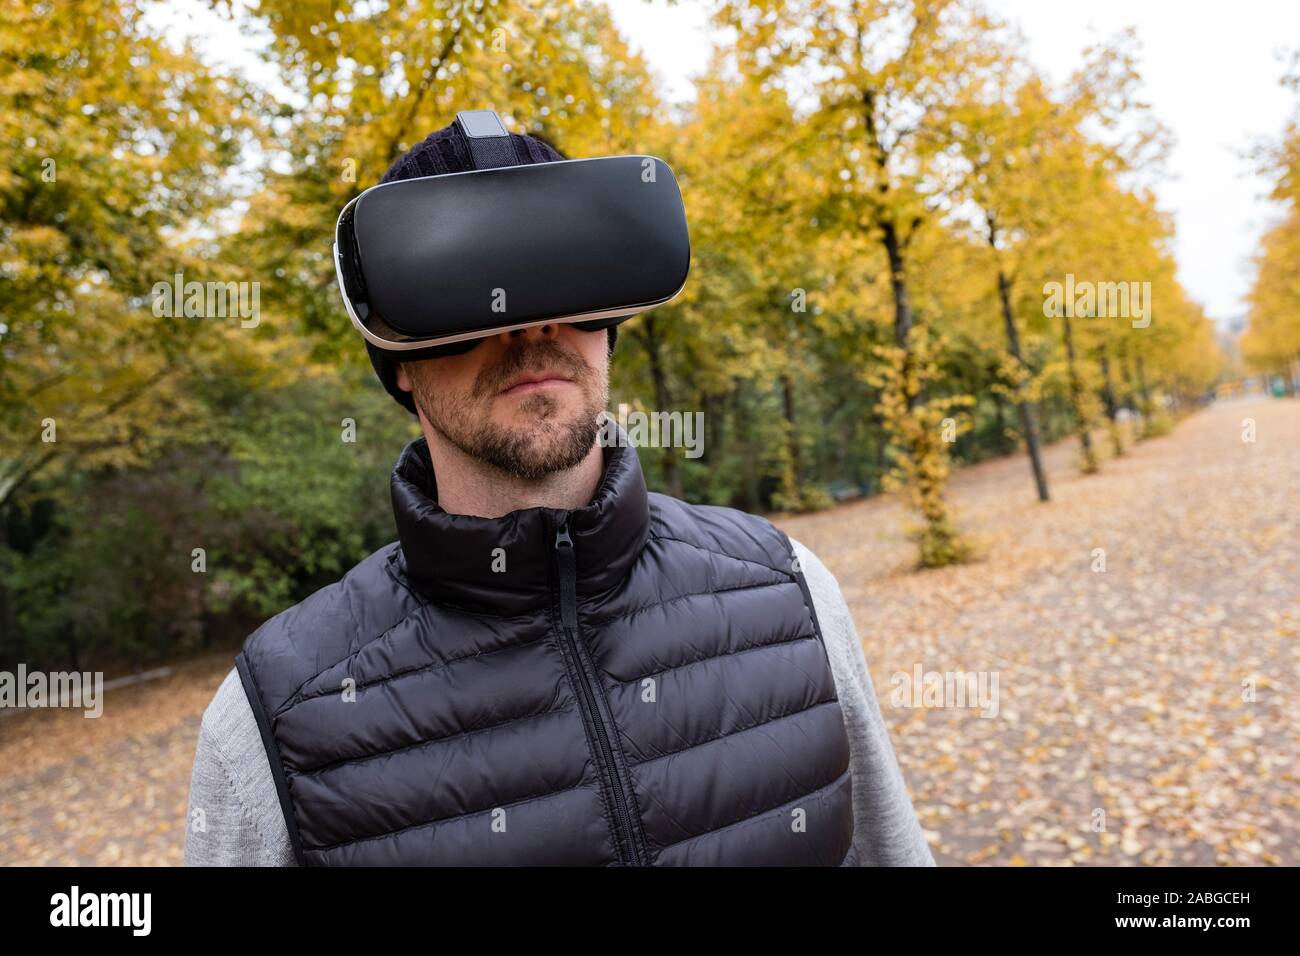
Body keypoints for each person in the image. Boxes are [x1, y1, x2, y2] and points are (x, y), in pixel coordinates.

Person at [184, 116, 933, 867]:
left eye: (564, 273)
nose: (527, 321)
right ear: (400, 362)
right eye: (457, 286)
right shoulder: (275, 716)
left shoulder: (792, 593)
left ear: (608, 323)